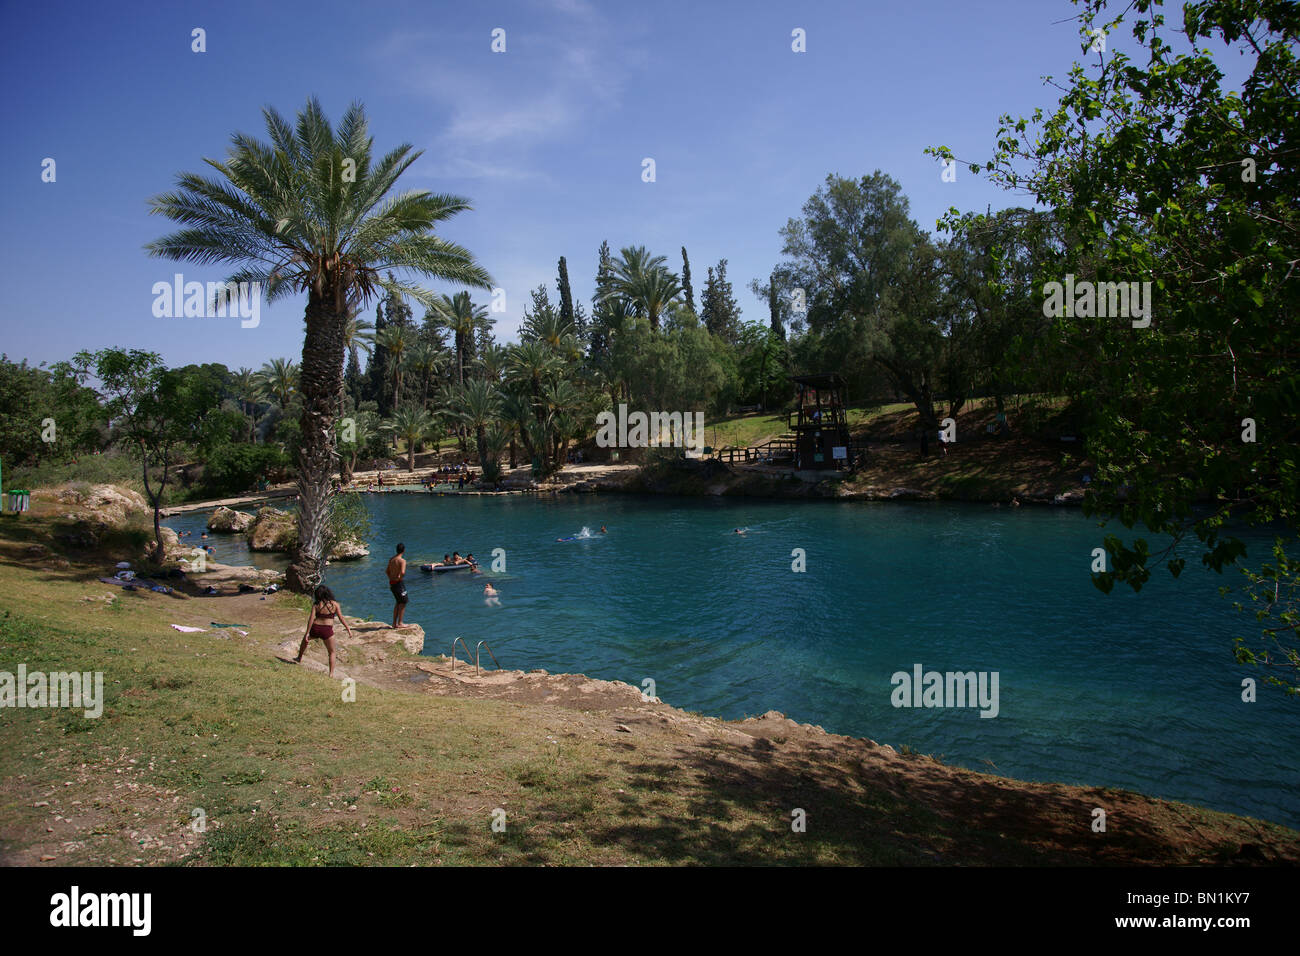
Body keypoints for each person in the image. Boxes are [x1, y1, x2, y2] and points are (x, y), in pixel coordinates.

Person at [295, 585, 353, 678]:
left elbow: (311, 619)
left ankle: (299, 657)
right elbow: (341, 618)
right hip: (327, 630)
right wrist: (348, 629)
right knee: (332, 652)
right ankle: (331, 673)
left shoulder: (316, 604)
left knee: (305, 640)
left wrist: (307, 633)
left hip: (316, 628)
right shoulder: (335, 604)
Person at [387, 543, 408, 628]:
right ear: (404, 550)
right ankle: (400, 623)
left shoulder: (391, 559)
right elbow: (403, 572)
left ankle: (394, 623)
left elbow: (387, 571)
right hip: (398, 583)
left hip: (392, 583)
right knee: (403, 602)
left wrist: (391, 578)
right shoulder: (402, 561)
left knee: (398, 602)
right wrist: (399, 578)